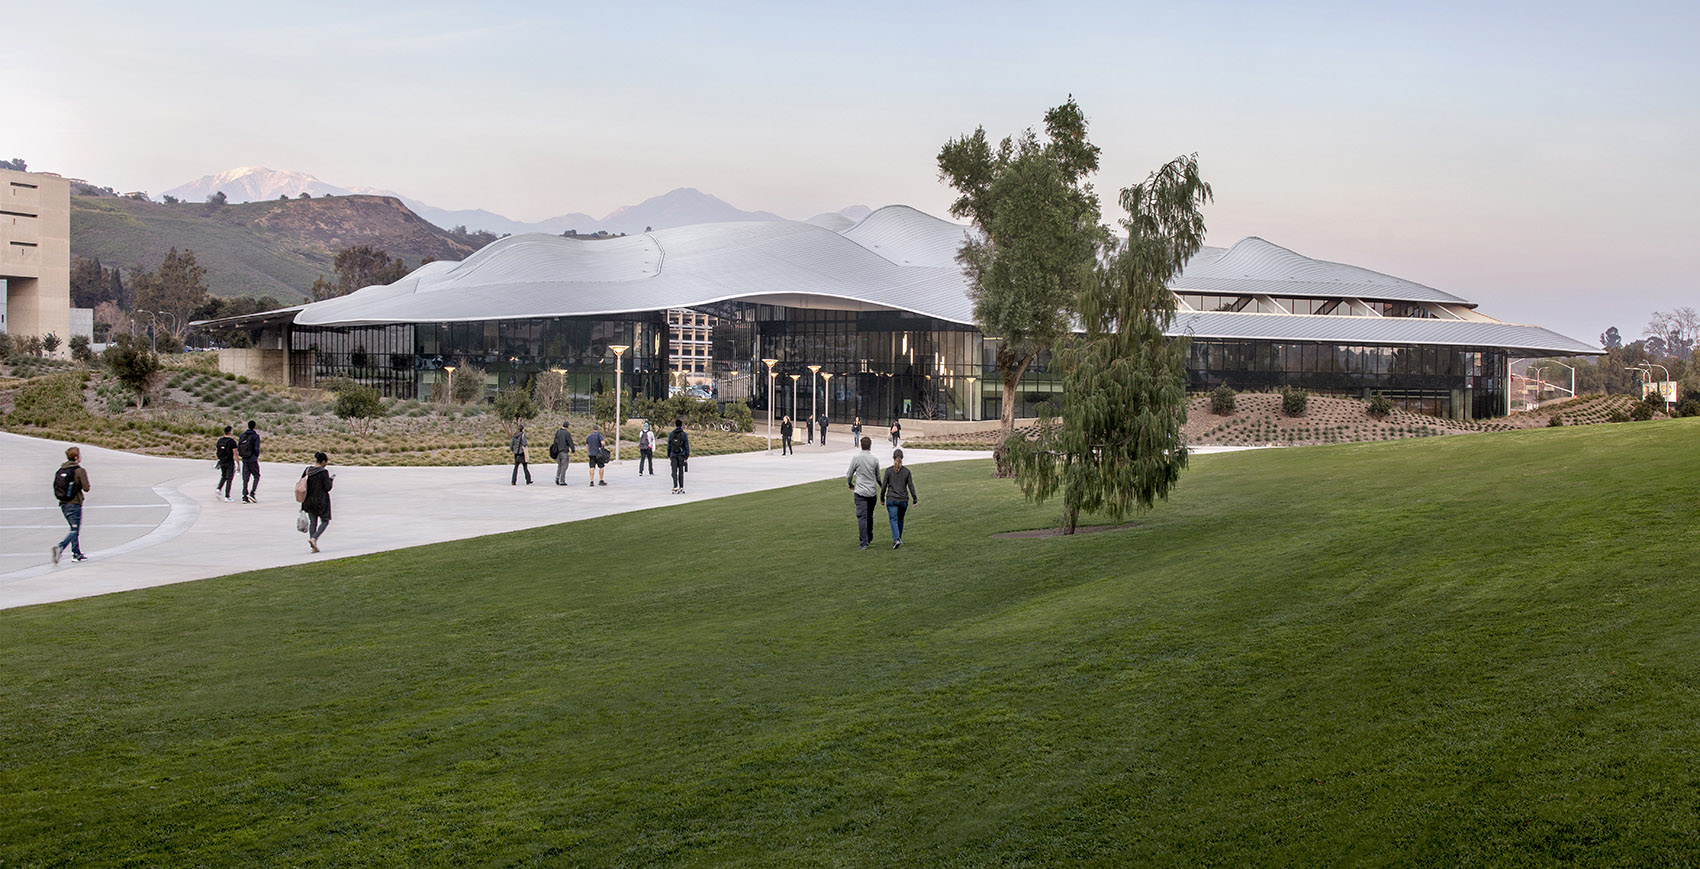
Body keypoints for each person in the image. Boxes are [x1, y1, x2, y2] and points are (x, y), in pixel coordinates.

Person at [51, 446, 91, 564]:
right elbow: (86, 488)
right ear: (76, 457)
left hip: (63, 504)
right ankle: (60, 547)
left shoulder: (61, 470)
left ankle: (76, 553)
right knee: (74, 529)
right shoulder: (79, 470)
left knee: (74, 528)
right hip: (74, 503)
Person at [880, 448, 919, 549]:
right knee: (900, 519)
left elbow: (884, 486)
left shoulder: (888, 471)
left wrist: (882, 498)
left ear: (893, 458)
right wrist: (915, 499)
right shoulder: (906, 472)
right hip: (903, 499)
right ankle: (898, 538)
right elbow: (911, 486)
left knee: (893, 519)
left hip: (892, 499)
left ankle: (896, 539)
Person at [846, 436, 880, 550]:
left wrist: (850, 483)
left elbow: (849, 474)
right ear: (870, 445)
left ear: (861, 445)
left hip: (860, 491)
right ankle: (869, 535)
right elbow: (878, 476)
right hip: (871, 491)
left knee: (862, 517)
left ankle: (864, 542)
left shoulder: (856, 458)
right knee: (869, 515)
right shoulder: (874, 460)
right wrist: (882, 486)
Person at [300, 451, 334, 553]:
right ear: (323, 461)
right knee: (325, 521)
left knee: (313, 523)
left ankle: (313, 547)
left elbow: (302, 483)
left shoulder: (307, 470)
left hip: (308, 500)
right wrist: (331, 480)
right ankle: (314, 538)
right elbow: (327, 487)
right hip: (321, 500)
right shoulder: (323, 472)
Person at [237, 420, 262, 503]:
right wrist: (256, 456)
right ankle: (252, 493)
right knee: (256, 476)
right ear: (254, 426)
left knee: (245, 478)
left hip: (245, 459)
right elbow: (256, 448)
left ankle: (244, 496)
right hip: (252, 459)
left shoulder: (242, 435)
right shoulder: (255, 436)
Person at [214, 425, 238, 502]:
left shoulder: (220, 440)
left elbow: (217, 451)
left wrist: (218, 461)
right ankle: (227, 496)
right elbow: (235, 453)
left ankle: (218, 488)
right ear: (230, 432)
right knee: (229, 479)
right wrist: (238, 463)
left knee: (224, 476)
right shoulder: (232, 442)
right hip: (229, 462)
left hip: (222, 461)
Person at [667, 417, 690, 494]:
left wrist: (668, 454)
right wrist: (686, 456)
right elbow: (686, 446)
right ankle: (681, 487)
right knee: (681, 471)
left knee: (674, 471)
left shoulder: (671, 434)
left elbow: (669, 445)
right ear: (681, 425)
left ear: (675, 425)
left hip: (673, 454)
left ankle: (675, 486)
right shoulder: (684, 434)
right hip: (681, 455)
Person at [552, 420, 575, 485]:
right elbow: (570, 442)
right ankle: (562, 480)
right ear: (567, 426)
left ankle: (557, 477)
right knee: (564, 466)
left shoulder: (558, 432)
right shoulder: (567, 433)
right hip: (564, 451)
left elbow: (555, 440)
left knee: (559, 465)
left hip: (558, 452)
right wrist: (573, 449)